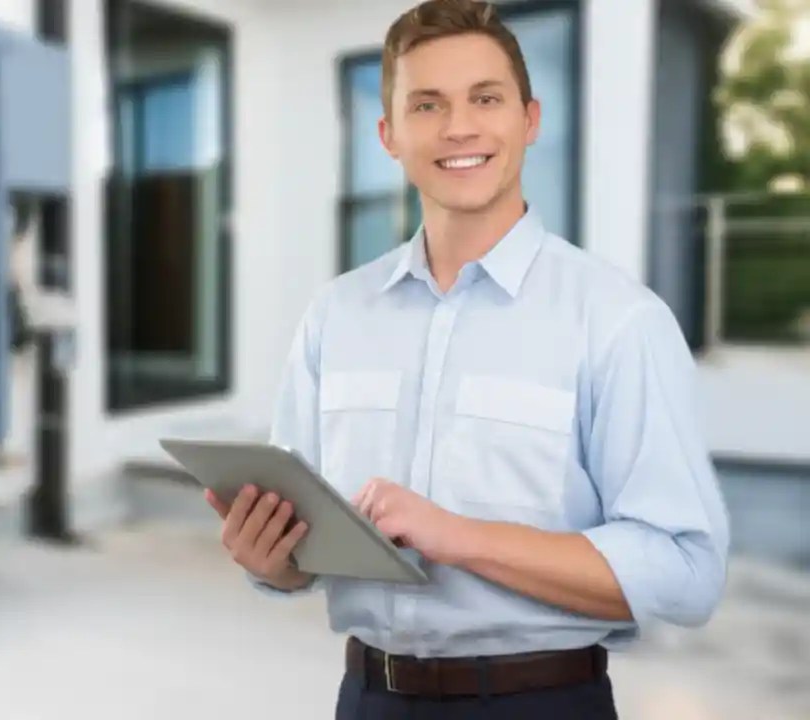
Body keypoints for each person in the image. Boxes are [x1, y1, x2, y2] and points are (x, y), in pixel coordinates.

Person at [203, 1, 731, 718]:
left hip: (542, 704)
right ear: (389, 135)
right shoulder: (336, 316)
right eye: (427, 105)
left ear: (529, 119)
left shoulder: (617, 320)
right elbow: (310, 544)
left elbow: (686, 573)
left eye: (485, 98)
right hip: (368, 699)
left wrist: (459, 537)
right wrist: (275, 560)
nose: (458, 127)